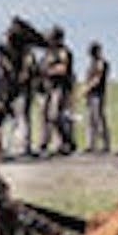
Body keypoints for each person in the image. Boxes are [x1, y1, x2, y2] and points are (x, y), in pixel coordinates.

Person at [37, 26, 75, 157]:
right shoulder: (48, 53)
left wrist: (47, 71)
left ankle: (66, 141)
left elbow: (62, 69)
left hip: (60, 87)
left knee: (55, 115)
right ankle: (44, 143)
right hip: (47, 87)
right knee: (44, 116)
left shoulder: (63, 52)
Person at [83, 41, 110, 154]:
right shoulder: (91, 64)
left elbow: (98, 78)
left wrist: (87, 88)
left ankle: (104, 144)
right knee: (90, 119)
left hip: (97, 94)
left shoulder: (101, 63)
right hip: (90, 94)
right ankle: (90, 144)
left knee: (99, 118)